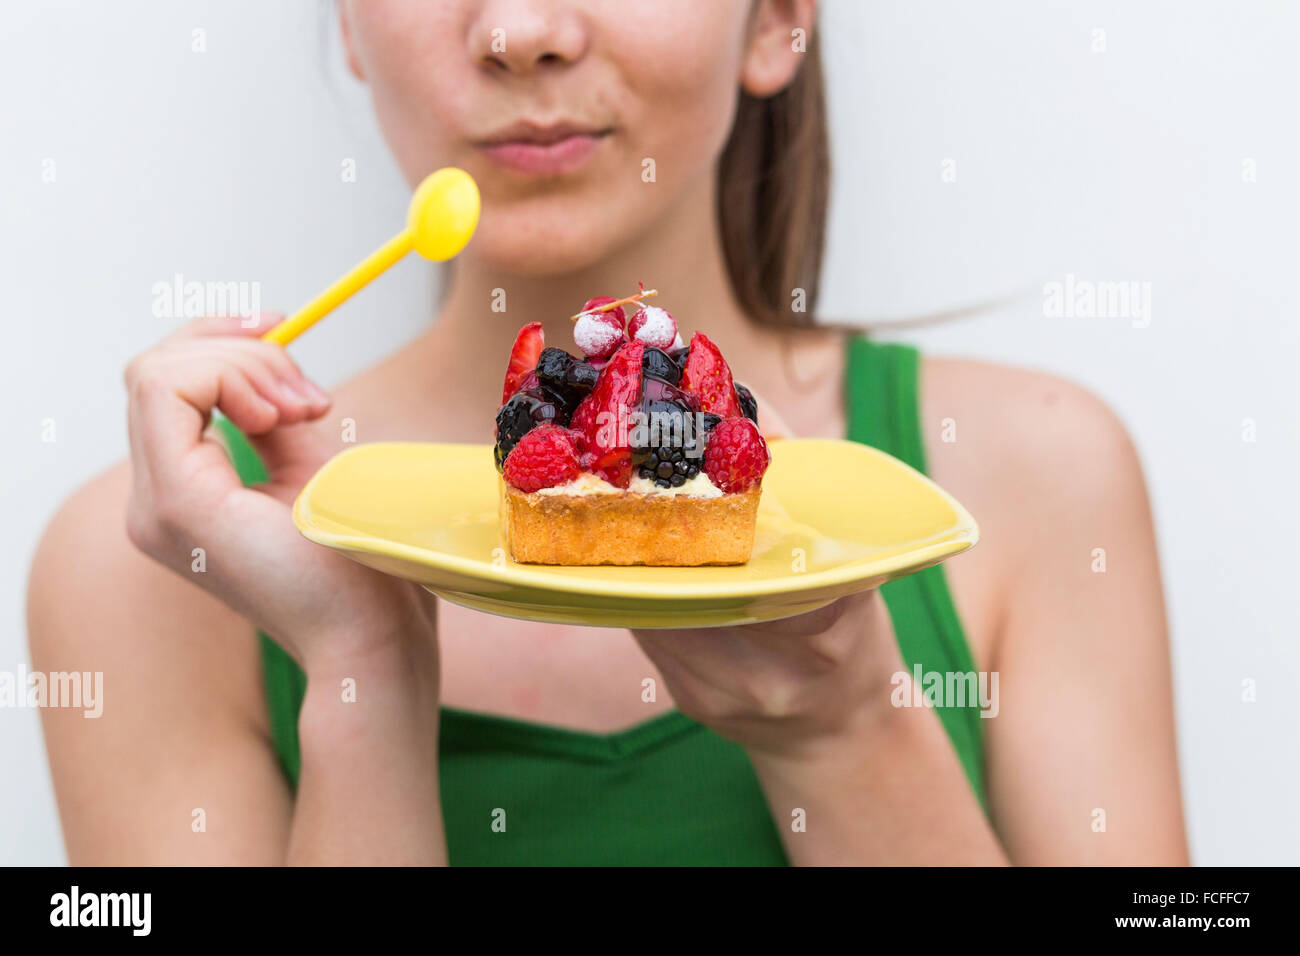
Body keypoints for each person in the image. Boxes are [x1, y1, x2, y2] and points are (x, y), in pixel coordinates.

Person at [28, 0, 1188, 865]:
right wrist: (364, 673)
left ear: (777, 18)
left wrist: (844, 728)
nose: (522, 30)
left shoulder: (1041, 474)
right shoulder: (155, 562)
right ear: (348, 22)